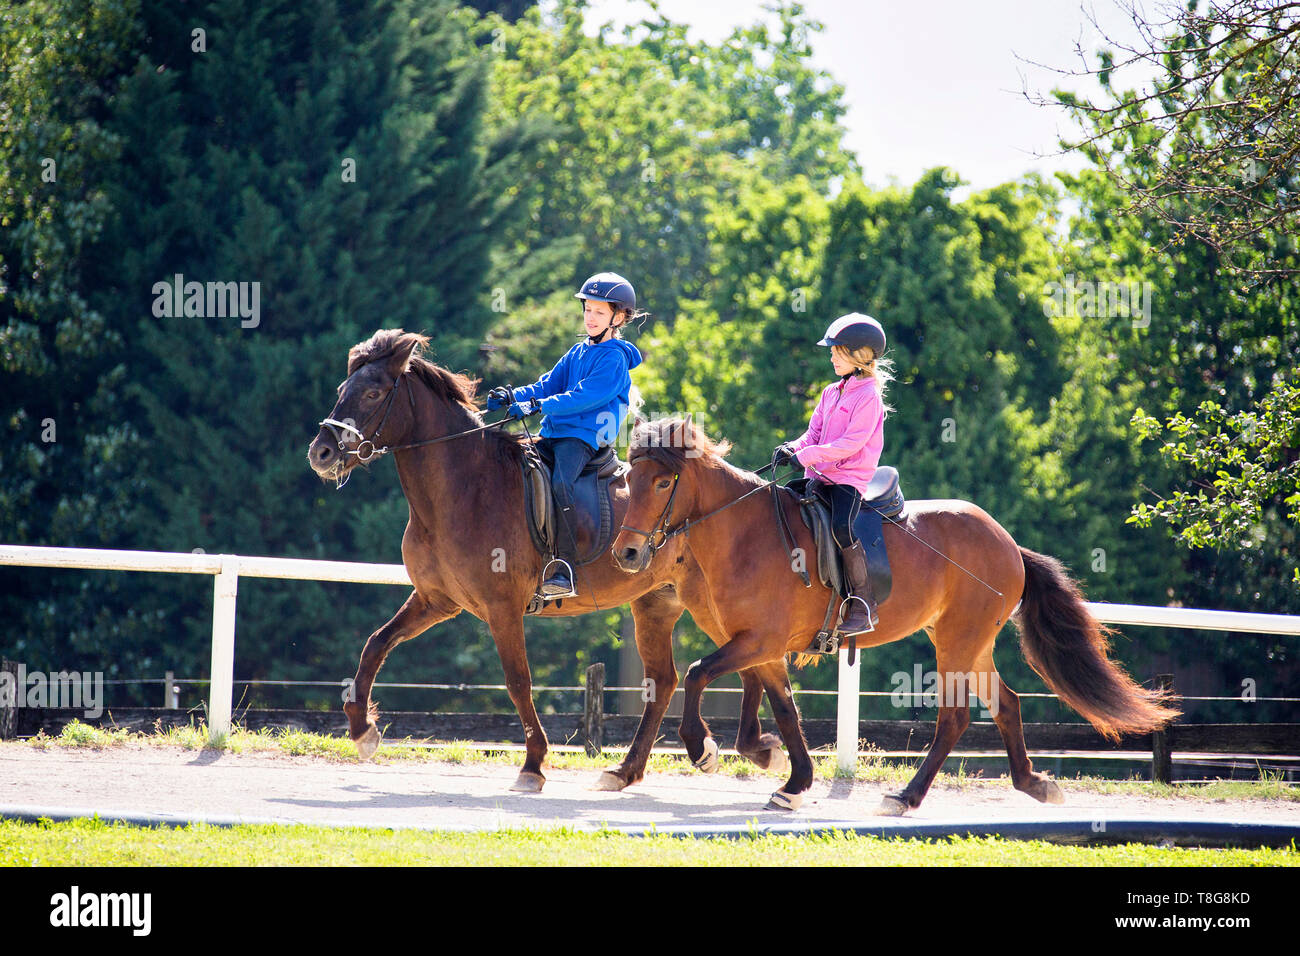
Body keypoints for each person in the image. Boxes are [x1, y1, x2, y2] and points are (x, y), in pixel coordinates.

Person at [487, 272, 644, 597]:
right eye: (588, 310)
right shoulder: (578, 351)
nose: (590, 317)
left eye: (599, 312)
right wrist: (512, 396)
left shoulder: (614, 359)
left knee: (560, 482)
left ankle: (564, 568)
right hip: (554, 433)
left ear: (619, 317)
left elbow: (583, 396)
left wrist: (536, 406)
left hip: (584, 439)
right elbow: (547, 384)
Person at [772, 313, 892, 634]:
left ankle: (864, 604)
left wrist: (806, 456)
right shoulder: (830, 392)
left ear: (858, 355)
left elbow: (848, 445)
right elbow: (812, 435)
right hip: (819, 477)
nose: (831, 356)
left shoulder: (868, 398)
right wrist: (790, 448)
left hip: (847, 482)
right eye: (832, 351)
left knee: (841, 526)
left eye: (837, 351)